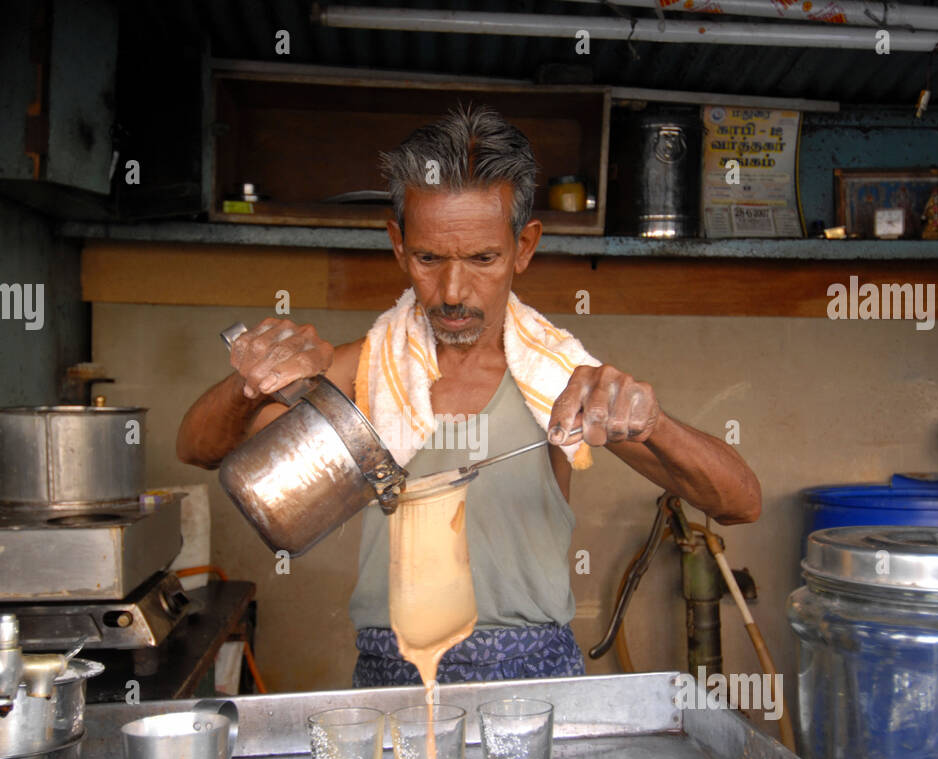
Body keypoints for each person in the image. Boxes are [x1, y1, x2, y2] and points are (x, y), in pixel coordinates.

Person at [177, 104, 761, 687]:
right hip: (394, 673)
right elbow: (198, 449)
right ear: (399, 246)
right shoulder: (360, 369)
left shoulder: (561, 381)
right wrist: (249, 382)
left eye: (483, 258)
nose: (454, 291)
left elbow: (740, 502)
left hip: (532, 674)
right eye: (430, 258)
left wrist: (655, 423)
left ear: (524, 247)